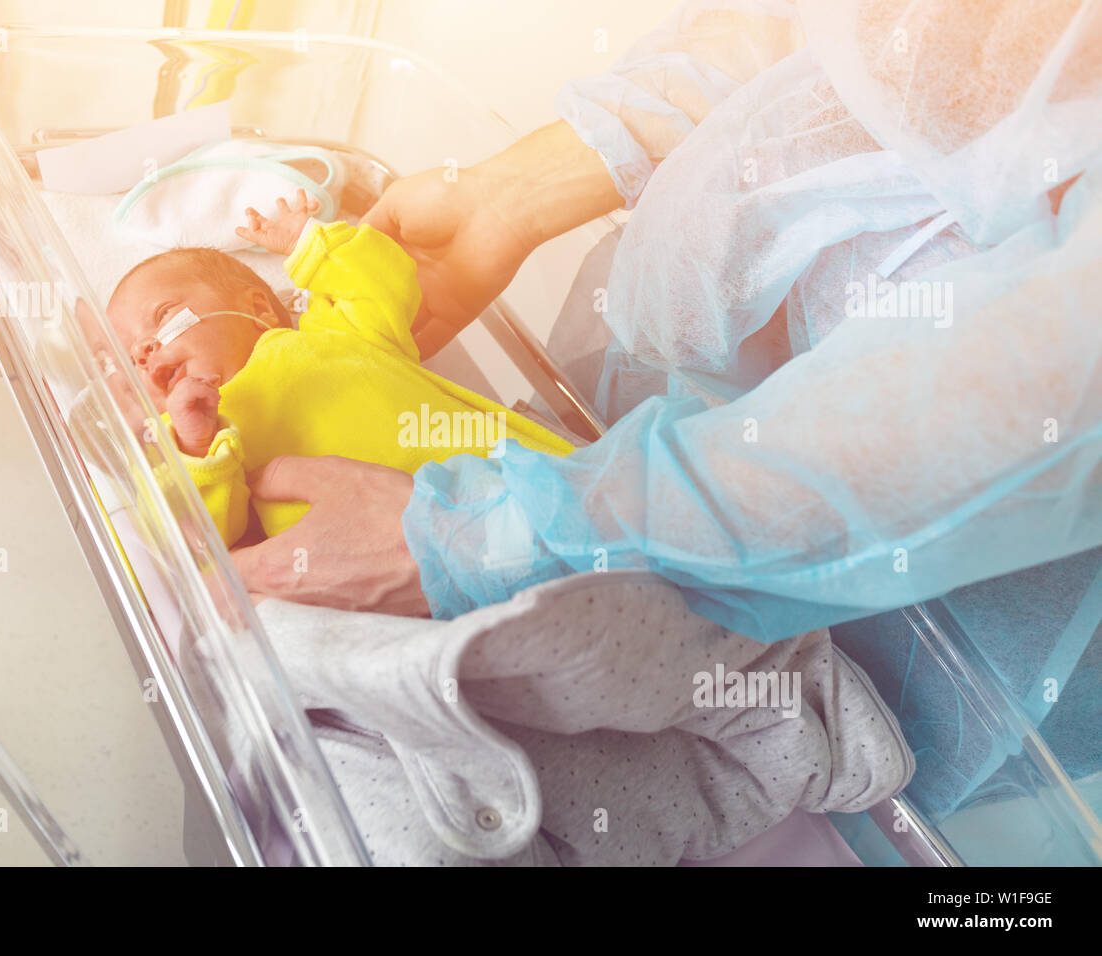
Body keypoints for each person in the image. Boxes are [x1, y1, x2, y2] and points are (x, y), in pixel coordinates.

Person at [228, 0, 1102, 817]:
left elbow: (1038, 389)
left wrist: (505, 539)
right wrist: (523, 186)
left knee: (747, 768)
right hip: (631, 433)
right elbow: (871, 33)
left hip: (955, 602)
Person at [104, 190, 570, 558]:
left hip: (520, 487)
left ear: (258, 309)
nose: (145, 351)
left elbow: (382, 286)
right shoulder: (200, 440)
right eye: (132, 360)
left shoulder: (328, 337)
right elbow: (197, 538)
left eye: (163, 316)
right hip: (396, 568)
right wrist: (195, 447)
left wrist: (312, 247)